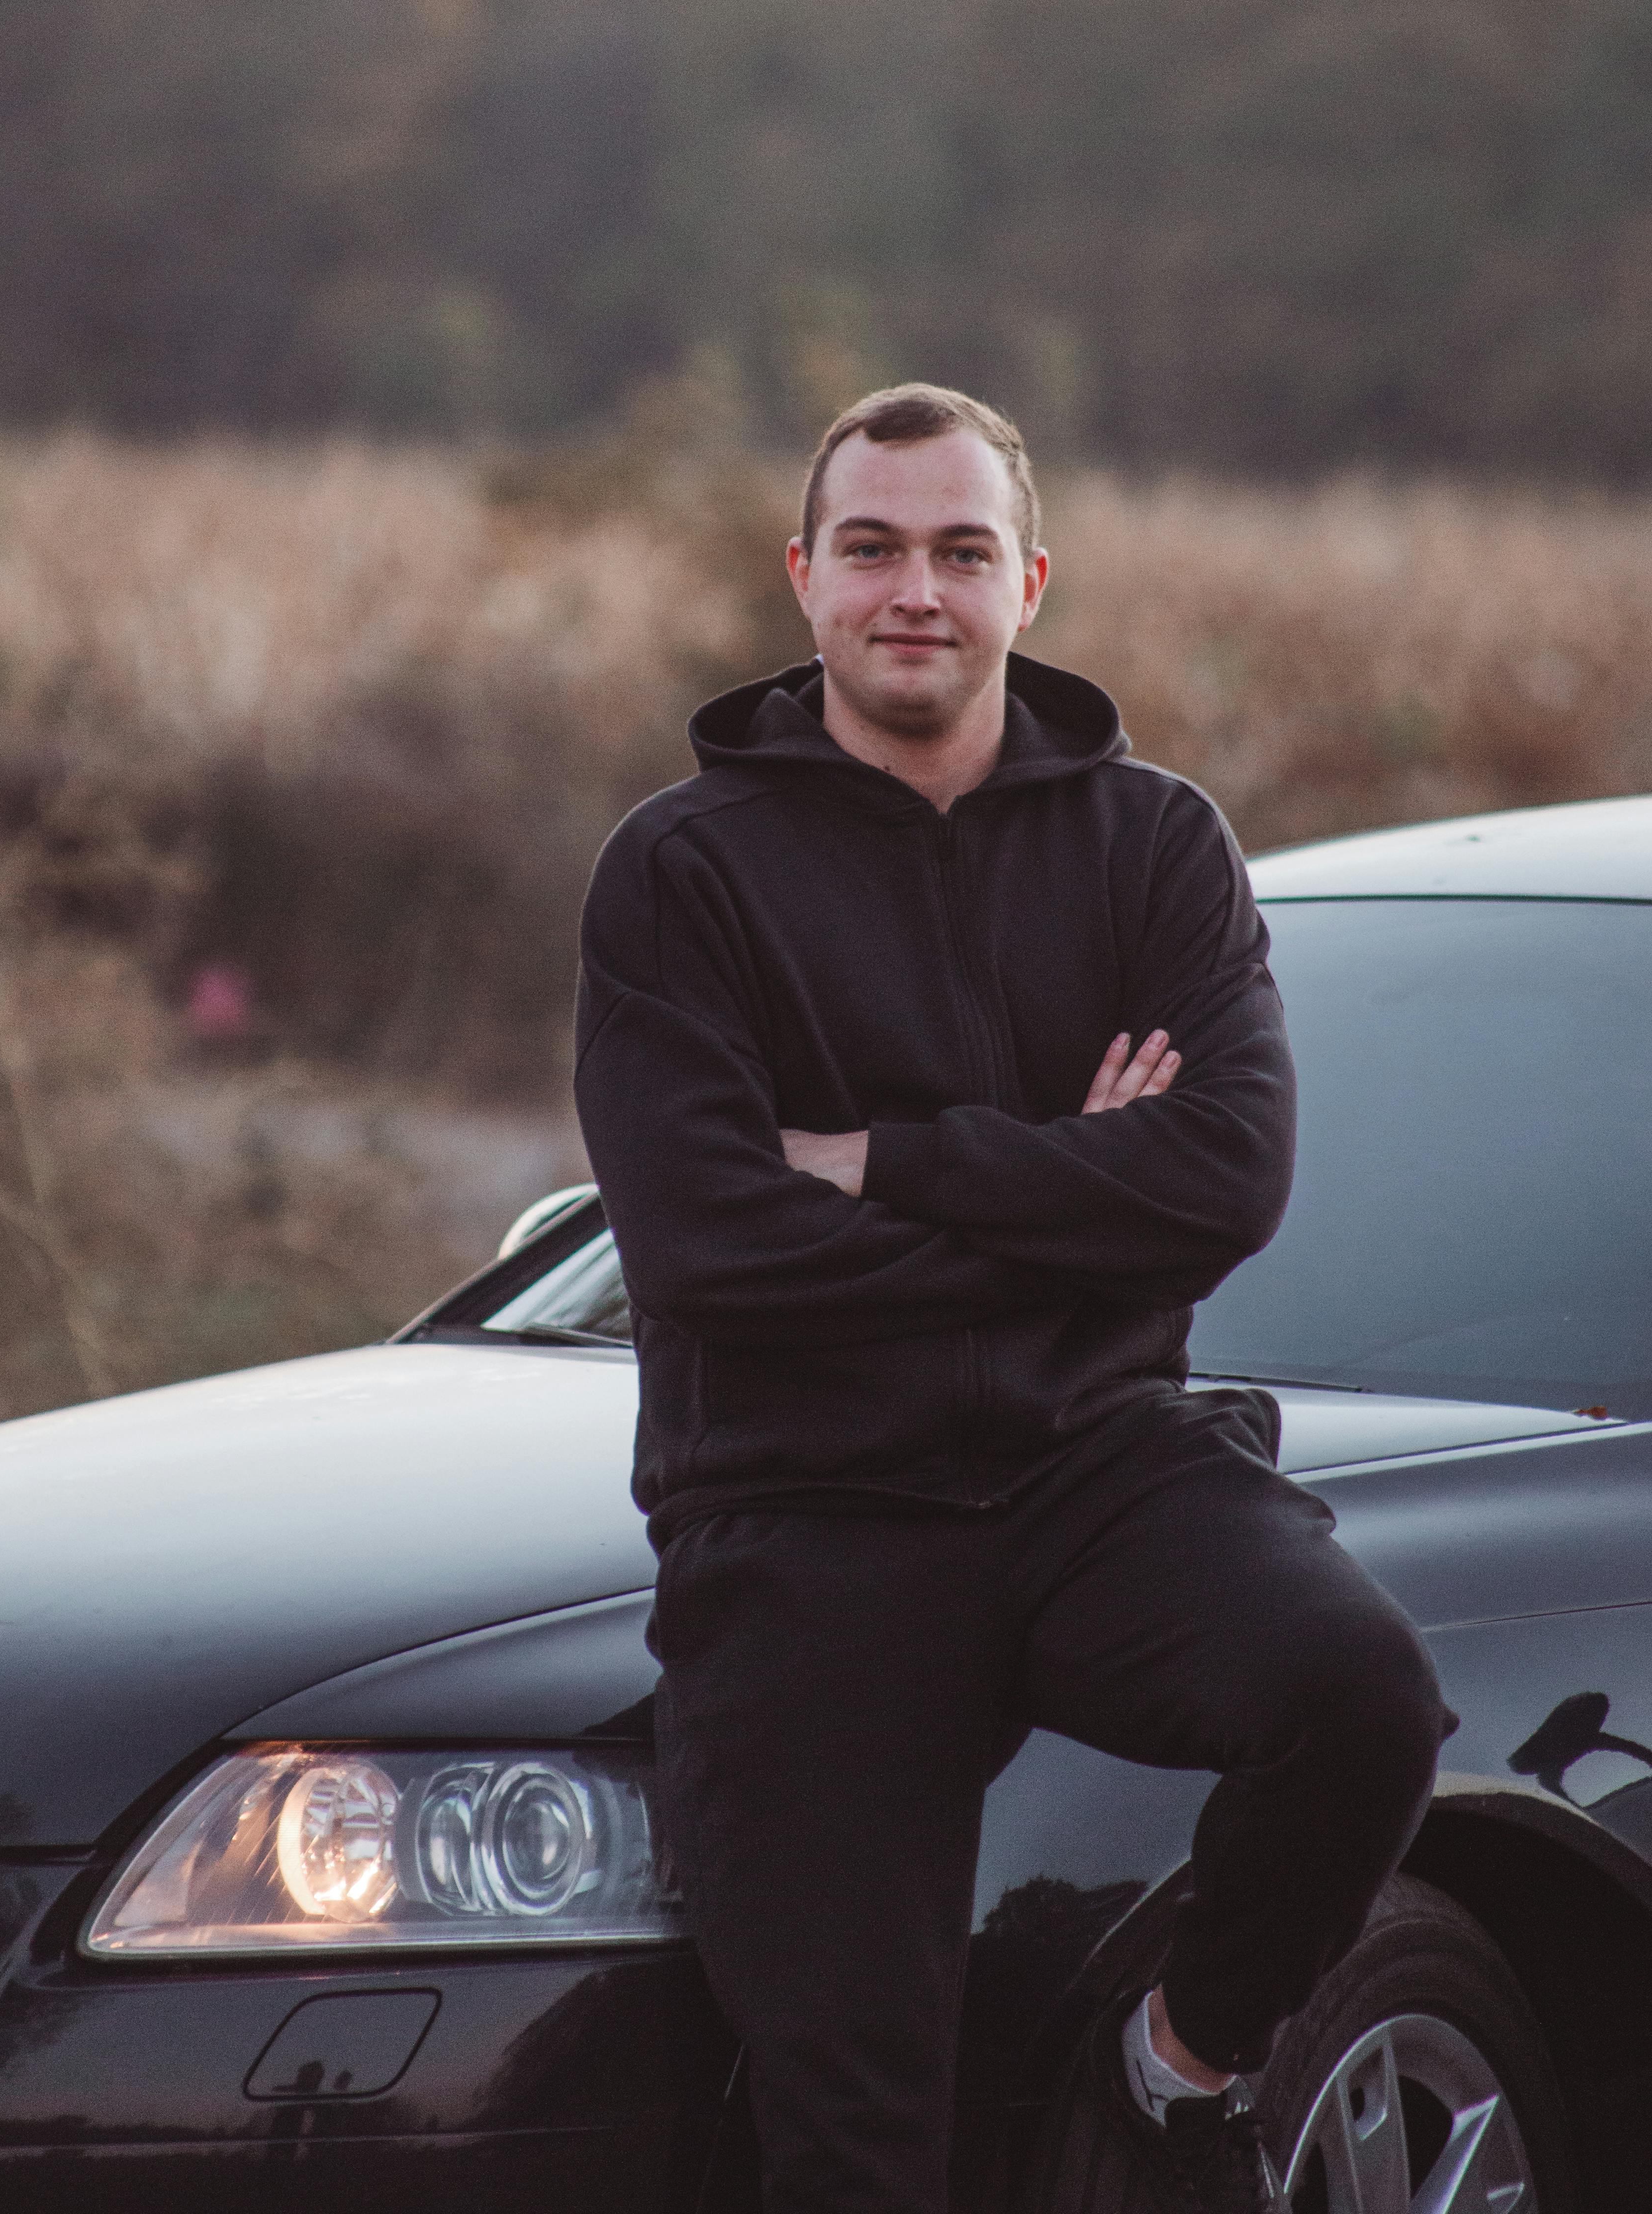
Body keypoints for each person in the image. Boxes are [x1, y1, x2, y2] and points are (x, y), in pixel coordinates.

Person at [574, 385, 1450, 2214]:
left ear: (1029, 582)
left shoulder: (1155, 847)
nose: (919, 590)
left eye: (962, 551)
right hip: (804, 1516)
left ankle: (1180, 2074)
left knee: (1361, 1698)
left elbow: (1227, 1180)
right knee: (858, 2130)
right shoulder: (684, 871)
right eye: (874, 549)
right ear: (802, 578)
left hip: (1095, 1466)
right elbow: (709, 1246)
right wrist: (1074, 1181)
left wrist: (887, 1159)